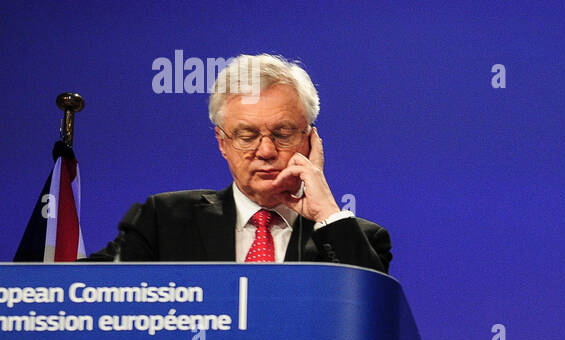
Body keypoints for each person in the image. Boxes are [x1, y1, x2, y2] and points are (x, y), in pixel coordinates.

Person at [93, 54, 392, 273]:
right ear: (222, 142)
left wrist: (327, 213)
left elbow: (373, 317)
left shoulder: (357, 239)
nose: (265, 151)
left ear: (310, 141)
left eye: (282, 134)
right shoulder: (164, 222)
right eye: (247, 135)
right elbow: (78, 291)